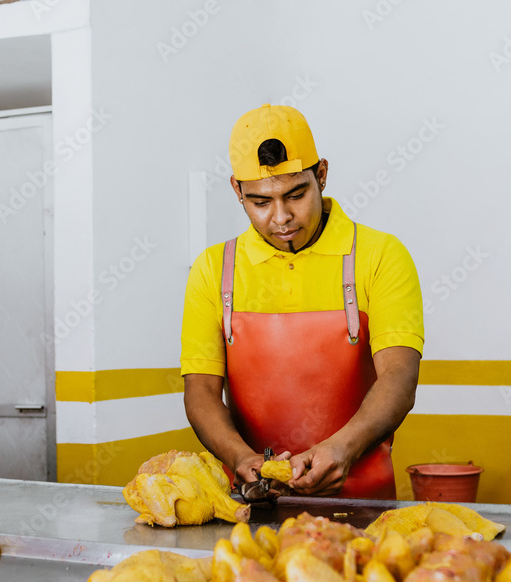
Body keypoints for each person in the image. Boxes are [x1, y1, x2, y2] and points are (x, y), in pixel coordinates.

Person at [180, 104, 424, 499]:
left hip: (363, 504)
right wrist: (240, 457)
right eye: (260, 202)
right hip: (253, 503)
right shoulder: (213, 269)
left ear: (322, 175)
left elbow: (399, 375)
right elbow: (201, 392)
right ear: (236, 190)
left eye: (296, 195)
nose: (281, 218)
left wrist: (343, 448)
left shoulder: (380, 255)